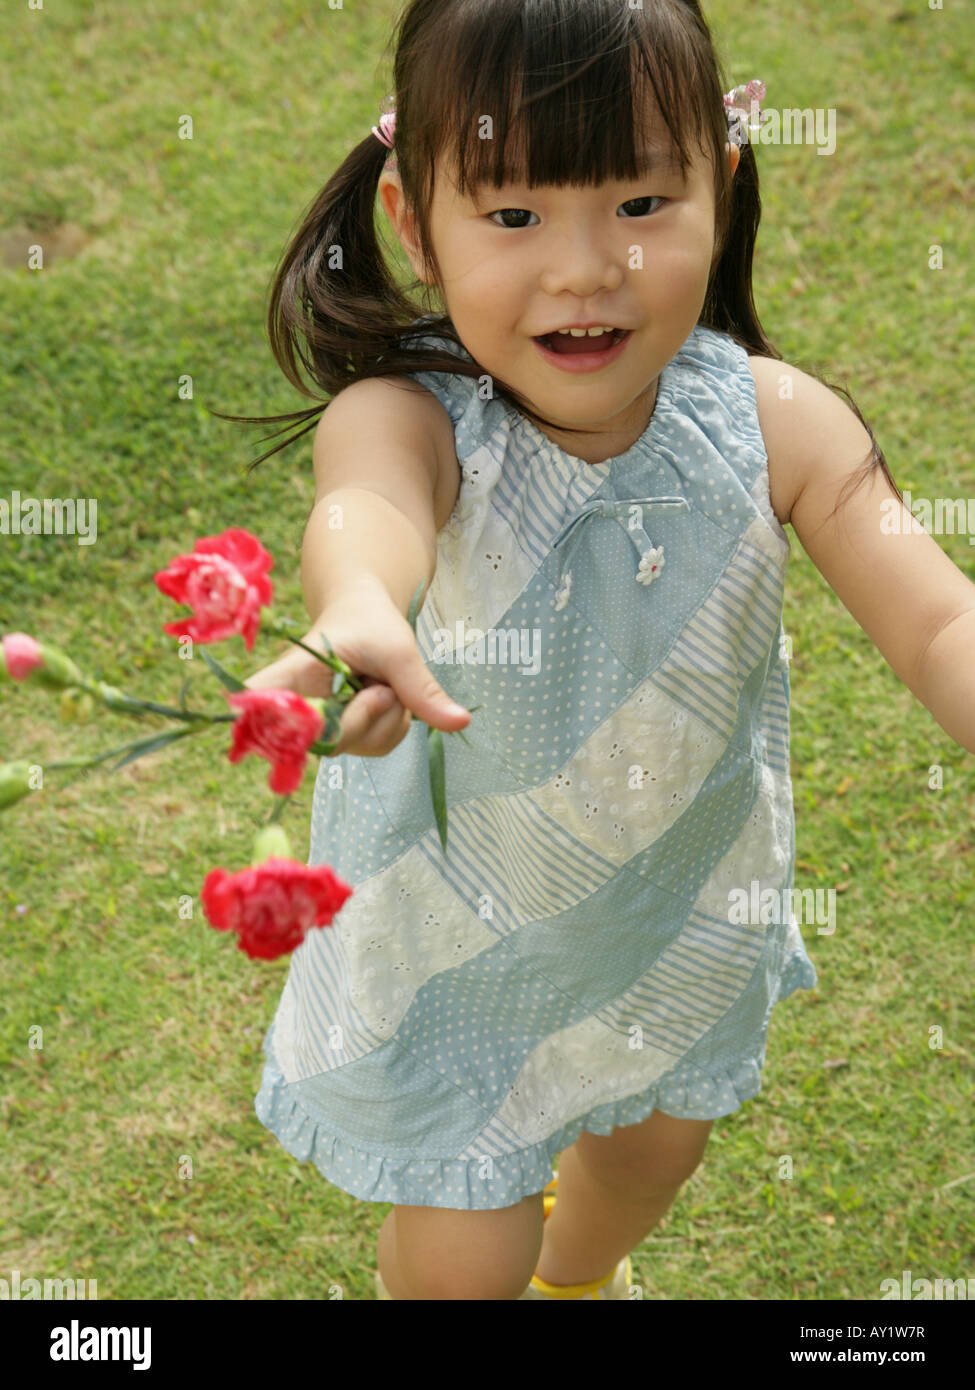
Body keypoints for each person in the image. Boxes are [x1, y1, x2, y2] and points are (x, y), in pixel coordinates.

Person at [228, 0, 975, 1300]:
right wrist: (359, 608)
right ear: (415, 223)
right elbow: (368, 510)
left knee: (650, 1155)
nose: (585, 268)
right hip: (458, 940)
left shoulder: (774, 424)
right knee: (464, 1253)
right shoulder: (413, 418)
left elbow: (939, 618)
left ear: (719, 185)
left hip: (670, 906)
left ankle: (577, 1282)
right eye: (515, 214)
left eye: (639, 202)